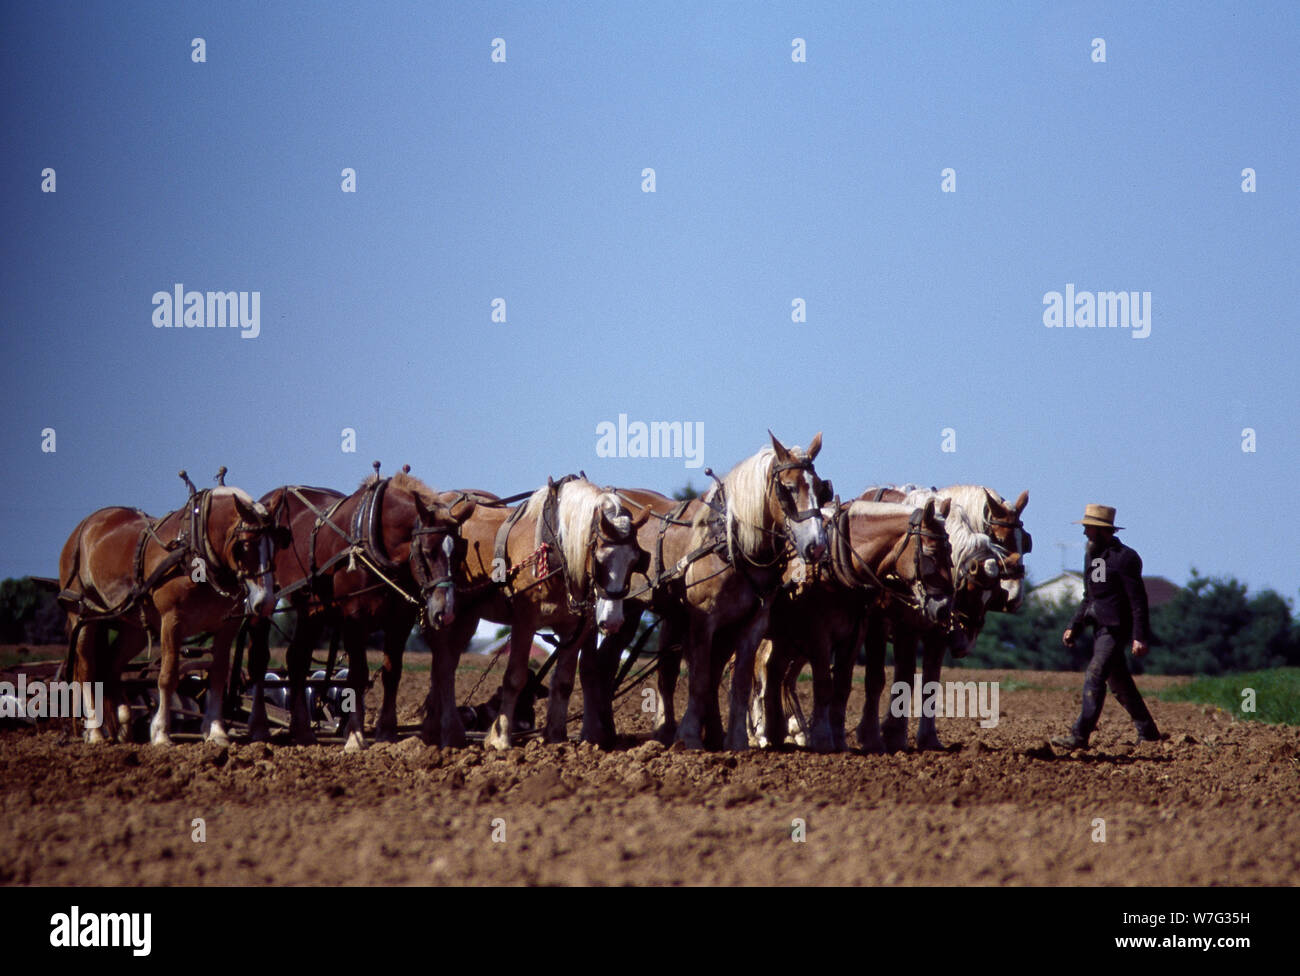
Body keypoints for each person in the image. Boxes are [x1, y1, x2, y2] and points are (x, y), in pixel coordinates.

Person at [1051, 504, 1163, 750]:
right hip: (1099, 628)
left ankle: (1080, 735)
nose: (1084, 534)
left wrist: (1139, 636)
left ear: (1102, 530)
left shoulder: (1125, 558)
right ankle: (1149, 733)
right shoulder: (1092, 555)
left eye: (1088, 528)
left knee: (1095, 673)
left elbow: (1138, 601)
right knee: (1120, 682)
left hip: (1116, 629)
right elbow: (1088, 596)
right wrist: (1075, 625)